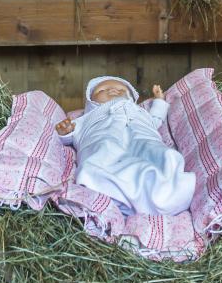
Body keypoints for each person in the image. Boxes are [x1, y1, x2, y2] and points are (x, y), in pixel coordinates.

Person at [55, 76, 196, 216]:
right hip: (104, 136)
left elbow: (155, 120)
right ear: (91, 101)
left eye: (120, 89)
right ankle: (111, 188)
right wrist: (65, 132)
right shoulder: (85, 118)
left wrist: (159, 101)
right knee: (104, 151)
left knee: (157, 151)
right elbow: (71, 135)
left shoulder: (140, 112)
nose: (113, 90)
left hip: (141, 134)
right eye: (102, 90)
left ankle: (166, 184)